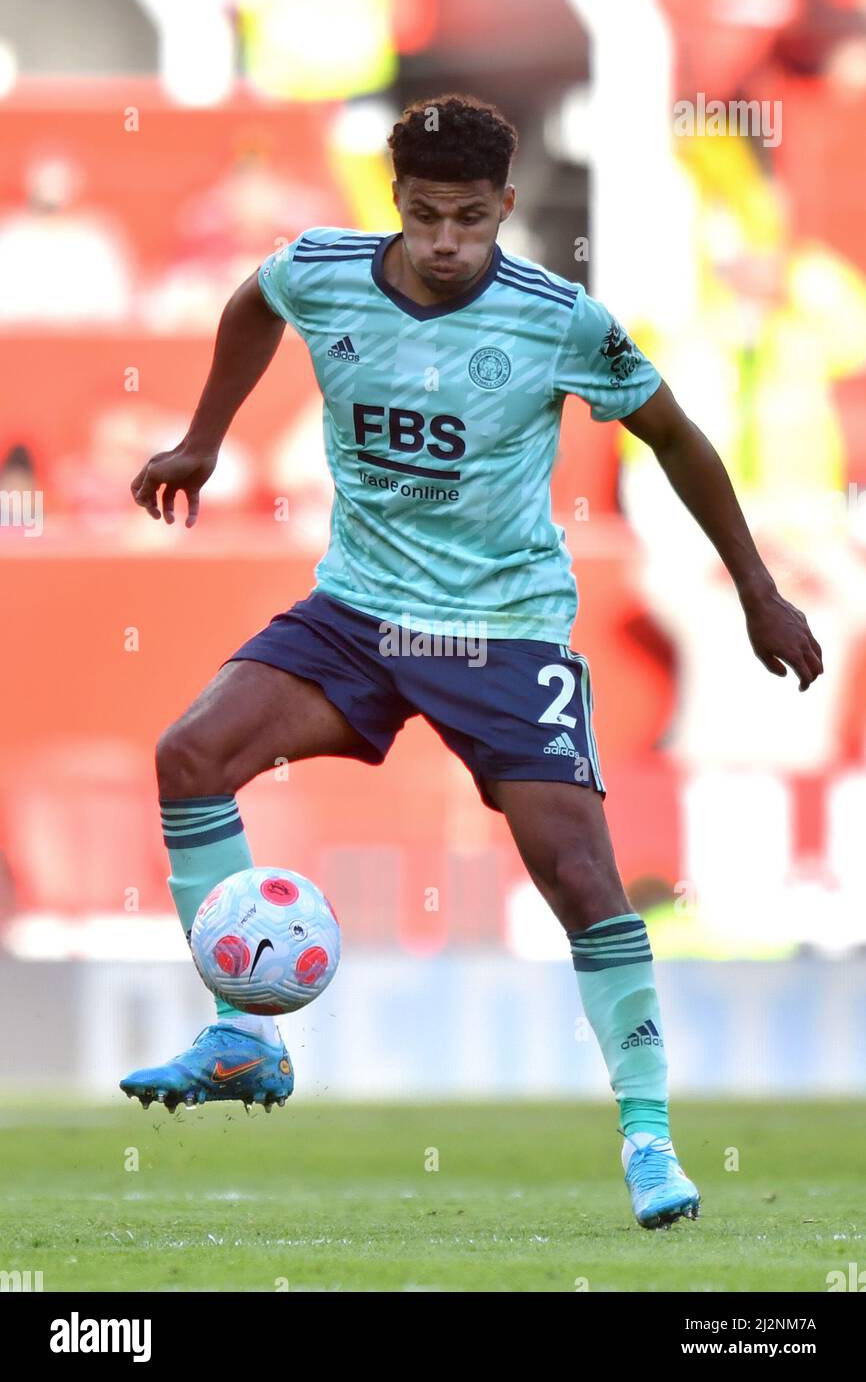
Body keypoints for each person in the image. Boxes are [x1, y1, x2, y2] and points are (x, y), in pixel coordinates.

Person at [122, 95, 823, 1230]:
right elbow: (255, 300)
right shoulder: (324, 269)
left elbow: (675, 434)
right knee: (189, 754)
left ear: (504, 208)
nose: (444, 242)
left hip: (499, 632)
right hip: (355, 611)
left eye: (467, 219)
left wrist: (754, 589)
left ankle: (647, 1139)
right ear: (391, 204)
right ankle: (243, 1036)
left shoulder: (558, 319)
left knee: (582, 883)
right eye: (422, 216)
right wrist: (204, 438)